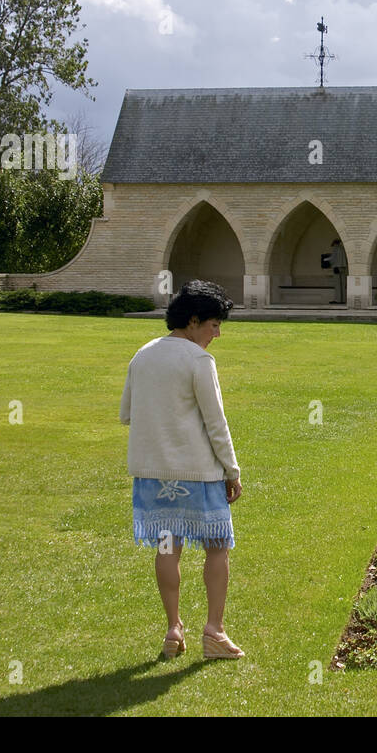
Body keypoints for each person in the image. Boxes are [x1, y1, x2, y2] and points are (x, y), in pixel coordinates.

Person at [120, 279, 245, 660]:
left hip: (151, 471)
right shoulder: (198, 361)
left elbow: (127, 413)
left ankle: (173, 628)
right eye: (213, 325)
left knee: (166, 545)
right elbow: (216, 422)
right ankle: (215, 632)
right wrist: (232, 470)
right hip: (197, 471)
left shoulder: (142, 355)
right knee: (218, 545)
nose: (217, 334)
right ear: (193, 321)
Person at [329, 238, 348, 304]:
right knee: (342, 285)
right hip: (343, 267)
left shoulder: (335, 248)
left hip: (337, 267)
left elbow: (333, 258)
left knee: (337, 285)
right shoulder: (343, 248)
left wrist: (326, 260)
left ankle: (338, 300)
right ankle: (343, 300)